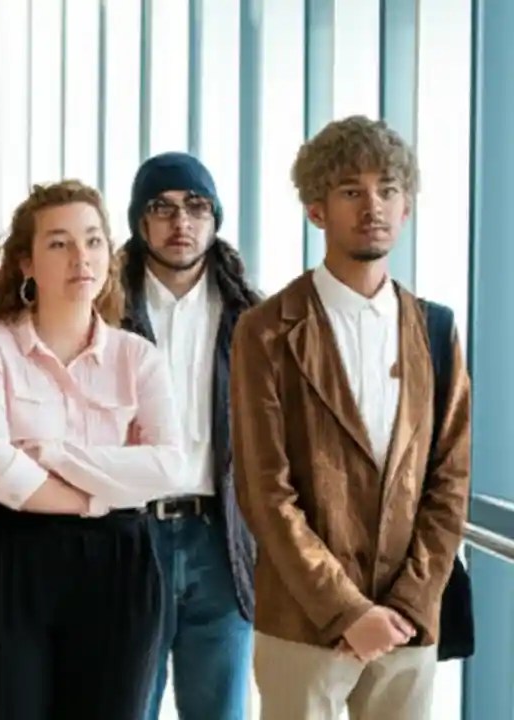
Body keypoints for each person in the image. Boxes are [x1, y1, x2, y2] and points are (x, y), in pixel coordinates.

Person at [231, 115, 471, 720]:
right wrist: (345, 610)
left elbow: (449, 480)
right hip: (302, 619)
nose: (373, 206)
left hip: (406, 621)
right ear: (317, 209)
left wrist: (410, 603)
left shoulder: (436, 329)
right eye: (351, 191)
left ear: (407, 207)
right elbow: (264, 491)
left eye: (388, 189)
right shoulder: (266, 330)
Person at [0, 180, 190, 720]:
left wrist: (51, 453)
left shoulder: (138, 357)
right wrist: (96, 497)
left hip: (119, 561)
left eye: (94, 241)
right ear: (26, 263)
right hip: (8, 553)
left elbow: (170, 465)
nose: (82, 257)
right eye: (59, 243)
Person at [118, 152, 259, 720]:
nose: (181, 222)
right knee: (126, 704)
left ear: (214, 219)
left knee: (220, 711)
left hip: (220, 540)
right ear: (140, 221)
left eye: (196, 207)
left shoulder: (252, 317)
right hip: (131, 534)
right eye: (163, 208)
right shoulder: (106, 310)